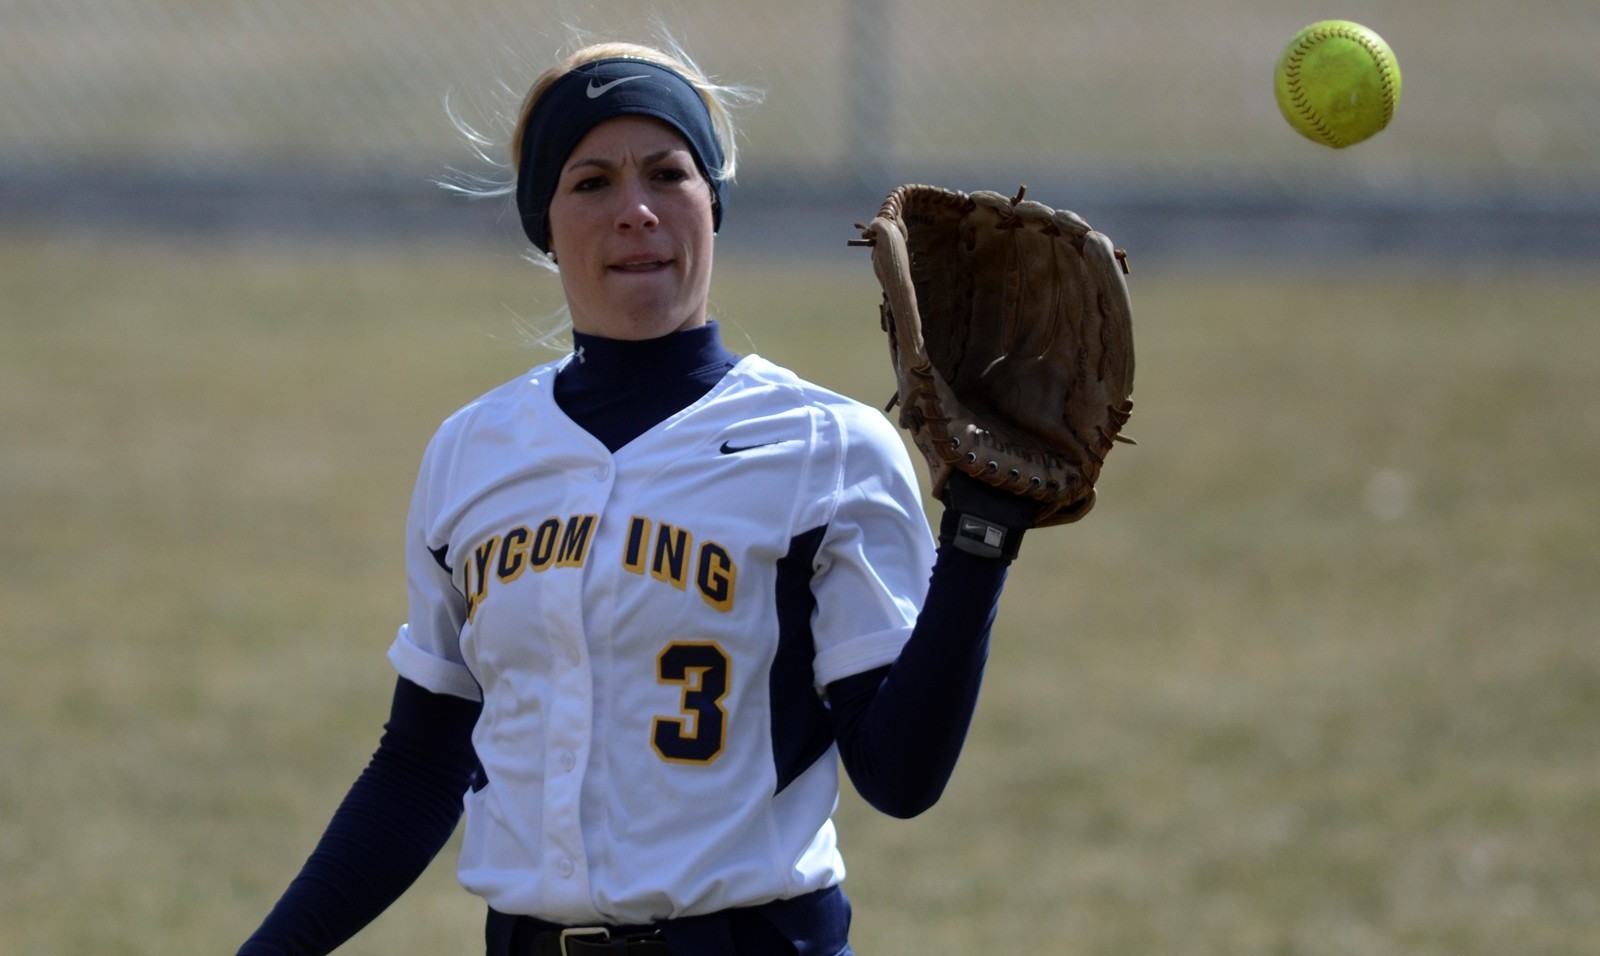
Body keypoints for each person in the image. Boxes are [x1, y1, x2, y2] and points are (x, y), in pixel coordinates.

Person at [237, 38, 1041, 956]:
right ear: (544, 220)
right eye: (592, 183)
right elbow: (422, 766)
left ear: (714, 203)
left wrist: (979, 541)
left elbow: (900, 775)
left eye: (668, 173)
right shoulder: (473, 454)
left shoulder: (827, 447)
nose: (637, 212)